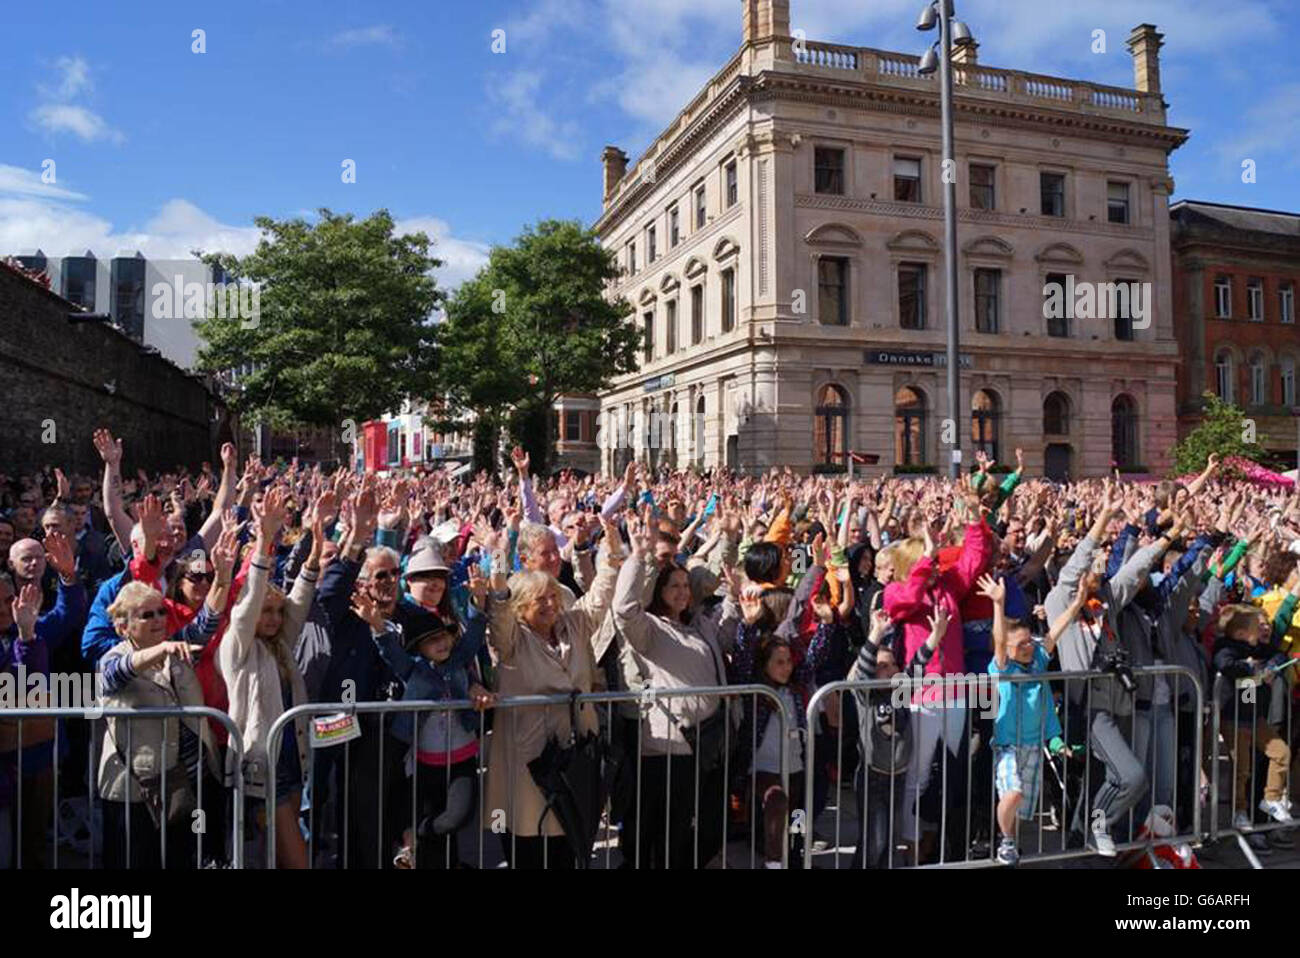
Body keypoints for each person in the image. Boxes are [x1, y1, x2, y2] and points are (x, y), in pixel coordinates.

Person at [484, 515, 622, 868]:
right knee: (528, 841)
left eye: (552, 597)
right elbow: (498, 605)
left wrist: (613, 546)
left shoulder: (572, 624)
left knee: (567, 840)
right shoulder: (512, 637)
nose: (549, 605)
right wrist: (497, 556)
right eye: (539, 600)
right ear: (522, 605)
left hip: (572, 753)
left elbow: (602, 594)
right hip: (528, 757)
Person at [611, 519, 738, 869]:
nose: (683, 591)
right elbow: (623, 610)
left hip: (710, 740)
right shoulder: (650, 629)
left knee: (712, 826)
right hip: (671, 744)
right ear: (659, 591)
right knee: (669, 832)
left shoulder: (698, 622)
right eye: (674, 586)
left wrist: (736, 602)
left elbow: (726, 640)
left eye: (685, 585)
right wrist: (637, 557)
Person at [355, 572, 493, 869]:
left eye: (442, 636)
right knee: (437, 835)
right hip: (425, 760)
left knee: (457, 816)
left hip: (462, 757)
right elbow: (390, 650)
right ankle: (422, 850)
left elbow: (474, 635)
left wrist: (478, 600)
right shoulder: (413, 671)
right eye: (431, 641)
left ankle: (412, 833)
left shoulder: (458, 660)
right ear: (419, 649)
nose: (440, 643)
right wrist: (377, 624)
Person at [219, 487, 322, 869]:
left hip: (292, 760)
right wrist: (263, 544)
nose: (275, 619)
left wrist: (313, 557)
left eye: (277, 613)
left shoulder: (280, 644)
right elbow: (246, 608)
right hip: (262, 764)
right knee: (299, 859)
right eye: (267, 612)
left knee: (278, 856)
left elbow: (300, 602)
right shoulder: (238, 645)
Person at [96, 581, 225, 869]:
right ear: (123, 626)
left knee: (181, 859)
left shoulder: (174, 648)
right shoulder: (112, 658)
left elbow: (207, 622)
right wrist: (162, 649)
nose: (158, 620)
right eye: (146, 615)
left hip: (185, 784)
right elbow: (117, 673)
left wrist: (224, 577)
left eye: (160, 612)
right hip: (137, 790)